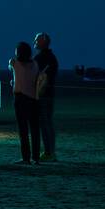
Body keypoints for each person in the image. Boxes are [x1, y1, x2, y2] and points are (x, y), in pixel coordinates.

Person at [10, 41, 42, 164]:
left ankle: (26, 157)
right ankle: (36, 157)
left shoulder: (14, 62)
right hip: (33, 98)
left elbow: (12, 70)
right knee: (34, 129)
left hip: (20, 98)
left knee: (23, 130)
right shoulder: (34, 64)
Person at [34, 32, 59, 161]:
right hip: (49, 95)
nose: (35, 42)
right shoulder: (52, 57)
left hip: (42, 95)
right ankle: (51, 151)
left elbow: (36, 76)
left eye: (37, 40)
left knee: (45, 124)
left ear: (43, 42)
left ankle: (49, 152)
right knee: (48, 123)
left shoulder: (42, 58)